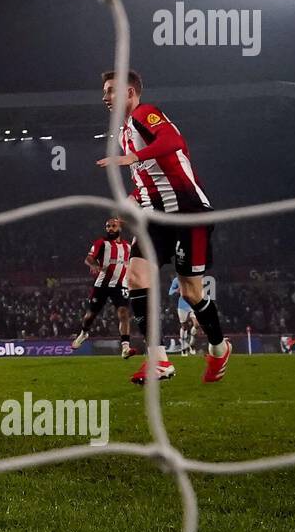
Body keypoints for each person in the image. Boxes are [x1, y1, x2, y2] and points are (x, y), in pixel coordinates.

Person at [96, 70, 230, 384]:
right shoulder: (123, 132)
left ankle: (219, 347)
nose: (105, 97)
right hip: (155, 217)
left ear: (130, 93)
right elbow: (146, 179)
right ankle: (158, 360)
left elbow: (174, 140)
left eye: (112, 90)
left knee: (191, 292)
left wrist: (133, 157)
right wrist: (130, 200)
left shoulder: (146, 112)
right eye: (104, 91)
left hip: (187, 212)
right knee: (136, 275)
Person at [71, 216, 132, 356]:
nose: (110, 229)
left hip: (121, 284)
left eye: (113, 226)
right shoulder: (102, 243)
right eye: (108, 226)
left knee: (123, 313)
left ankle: (125, 347)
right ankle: (84, 333)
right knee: (90, 315)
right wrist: (94, 265)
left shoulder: (128, 246)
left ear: (120, 228)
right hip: (102, 284)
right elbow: (89, 258)